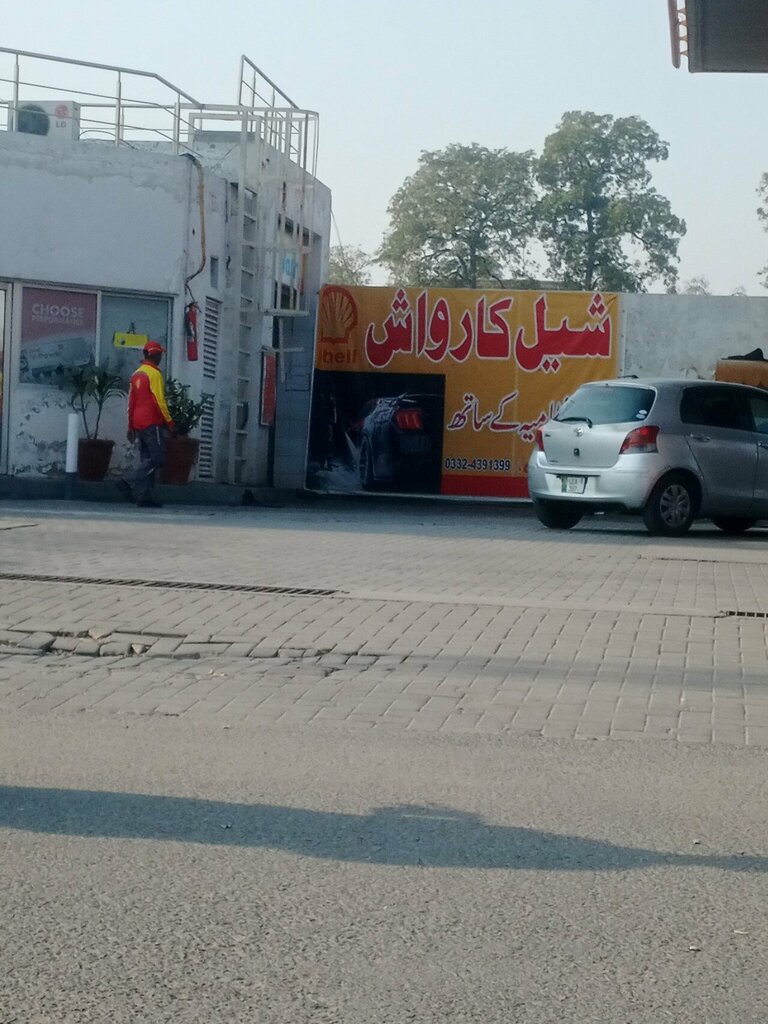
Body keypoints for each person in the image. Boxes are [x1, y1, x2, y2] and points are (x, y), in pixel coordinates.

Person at [117, 341, 175, 508]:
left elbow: (131, 401)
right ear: (155, 355)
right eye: (160, 354)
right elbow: (159, 400)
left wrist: (130, 425)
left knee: (146, 459)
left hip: (138, 421)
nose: (161, 357)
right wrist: (170, 422)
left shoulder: (136, 374)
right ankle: (127, 482)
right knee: (157, 458)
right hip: (152, 421)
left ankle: (144, 496)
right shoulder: (154, 374)